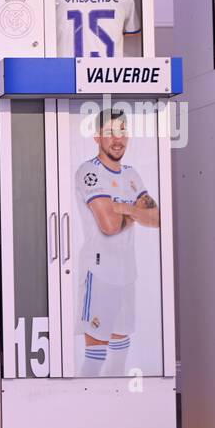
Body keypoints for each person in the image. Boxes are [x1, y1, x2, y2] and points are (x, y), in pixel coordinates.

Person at [74, 109, 159, 377]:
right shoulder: (90, 172)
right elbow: (108, 225)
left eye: (122, 132)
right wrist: (135, 209)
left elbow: (156, 217)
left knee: (120, 353)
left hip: (127, 274)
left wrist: (122, 207)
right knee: (96, 356)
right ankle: (85, 411)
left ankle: (115, 410)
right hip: (99, 275)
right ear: (97, 136)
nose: (117, 139)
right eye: (110, 133)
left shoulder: (131, 174)